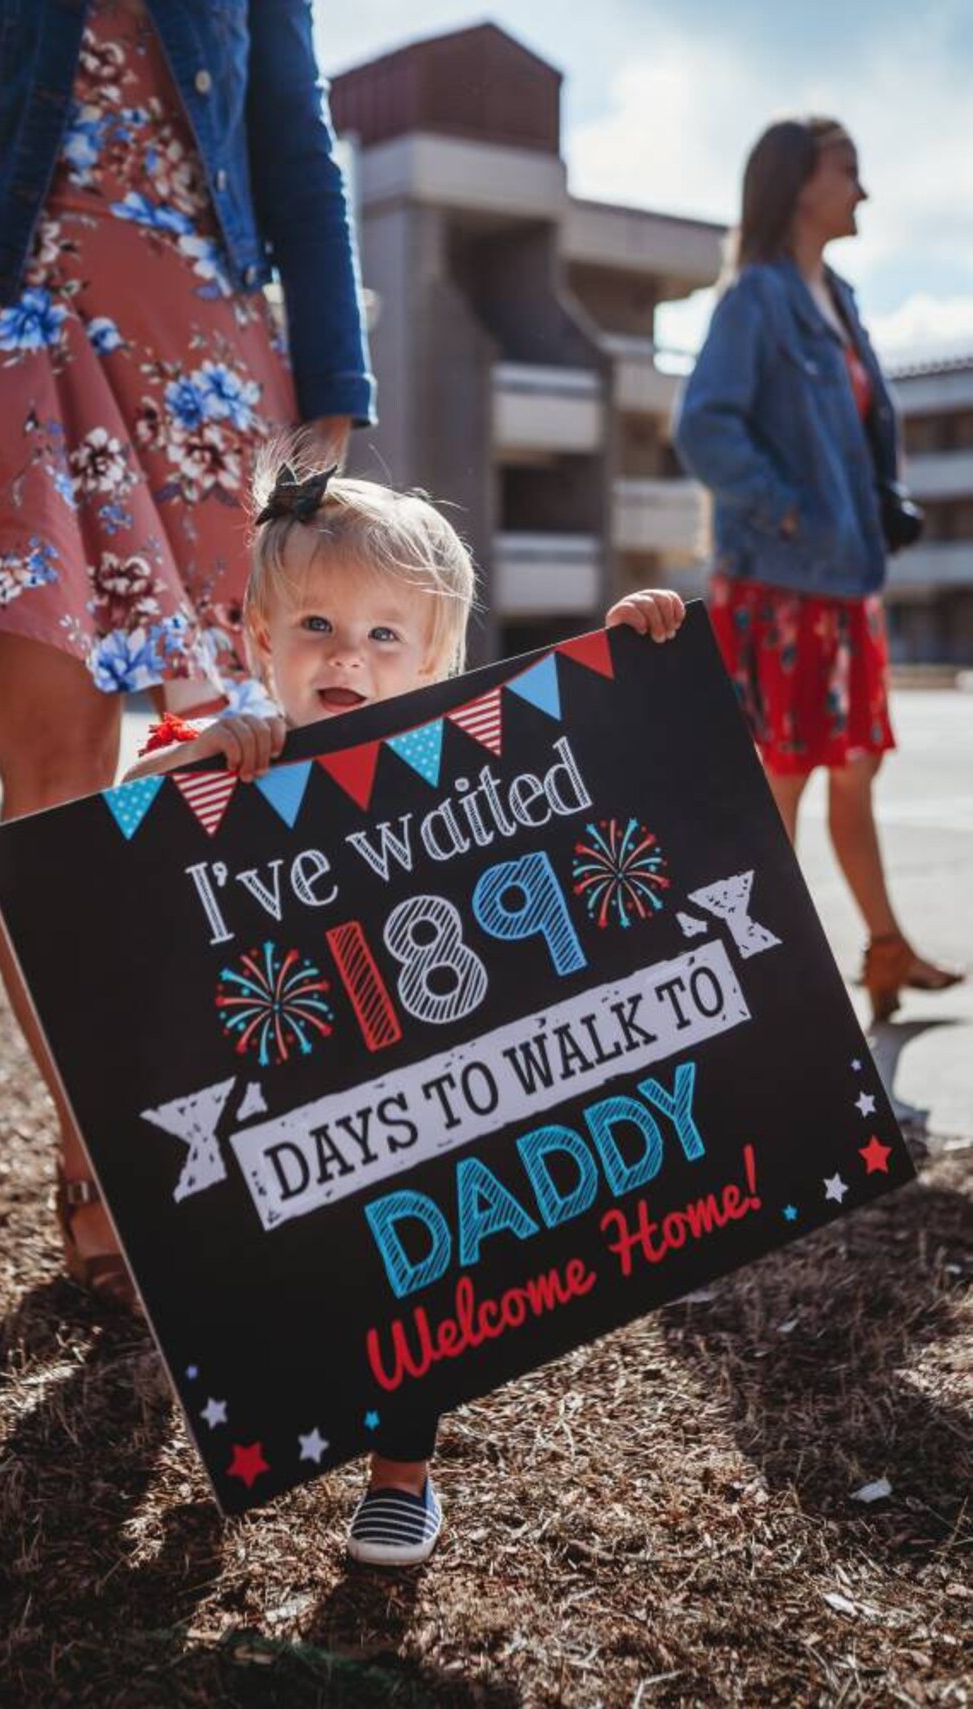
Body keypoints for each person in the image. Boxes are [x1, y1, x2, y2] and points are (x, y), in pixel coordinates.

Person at [0, 0, 375, 1305]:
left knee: (251, 771)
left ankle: (265, 1132)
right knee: (59, 795)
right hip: (3, 349)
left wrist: (335, 390)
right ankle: (110, 1167)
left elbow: (297, 148)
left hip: (214, 372)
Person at [129, 449, 687, 1565]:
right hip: (279, 1088)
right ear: (259, 638)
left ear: (435, 657)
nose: (348, 654)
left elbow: (588, 754)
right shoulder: (233, 754)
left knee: (420, 1261)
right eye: (317, 625)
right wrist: (195, 763)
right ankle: (266, 1426)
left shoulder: (446, 758)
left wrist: (629, 653)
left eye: (386, 633)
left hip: (418, 1078)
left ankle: (401, 1474)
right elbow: (107, 857)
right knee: (284, 1266)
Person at [674, 116, 963, 1025]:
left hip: (845, 579)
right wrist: (793, 507)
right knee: (785, 782)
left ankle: (884, 946)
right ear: (801, 184)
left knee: (853, 770)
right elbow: (703, 427)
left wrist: (874, 501)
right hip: (782, 582)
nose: (863, 189)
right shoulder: (757, 298)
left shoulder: (838, 296)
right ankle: (761, 980)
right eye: (849, 170)